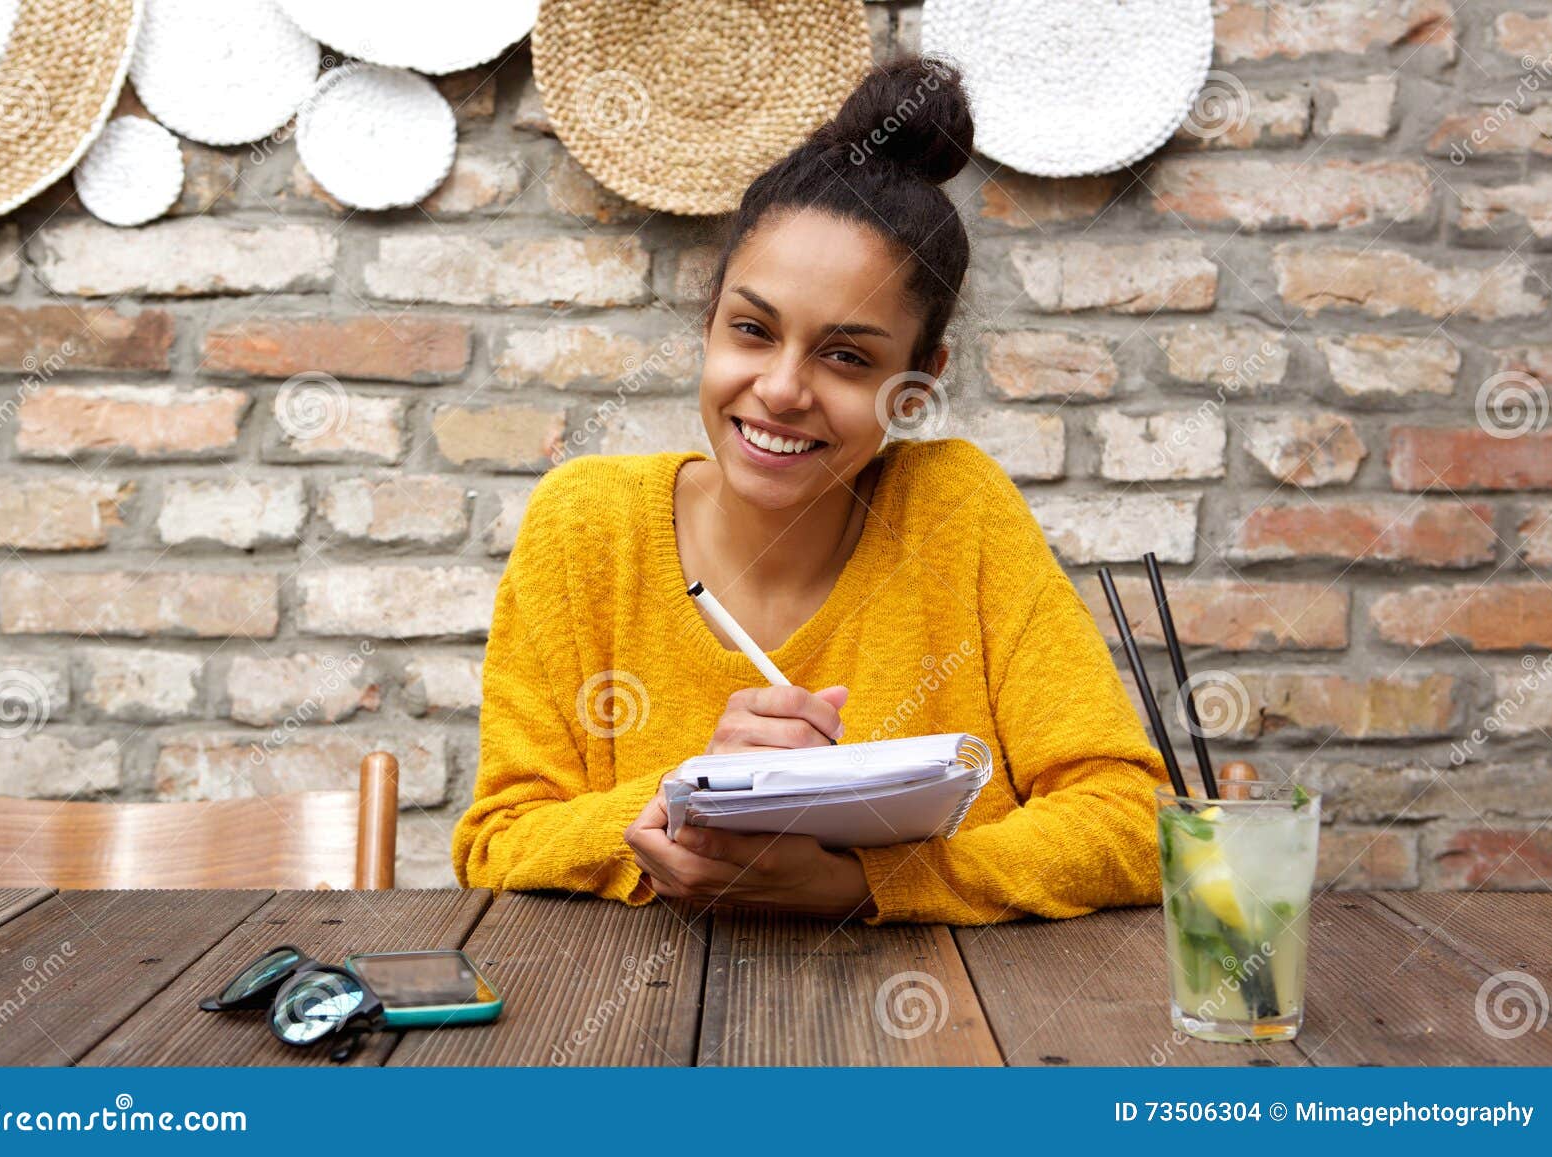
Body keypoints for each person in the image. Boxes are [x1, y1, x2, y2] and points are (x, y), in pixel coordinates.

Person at [450, 55, 1170, 925]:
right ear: (708, 320)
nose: (783, 389)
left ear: (918, 381)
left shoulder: (958, 512)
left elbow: (1131, 820)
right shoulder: (584, 525)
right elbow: (498, 840)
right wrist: (692, 791)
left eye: (846, 355)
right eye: (752, 330)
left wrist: (872, 884)